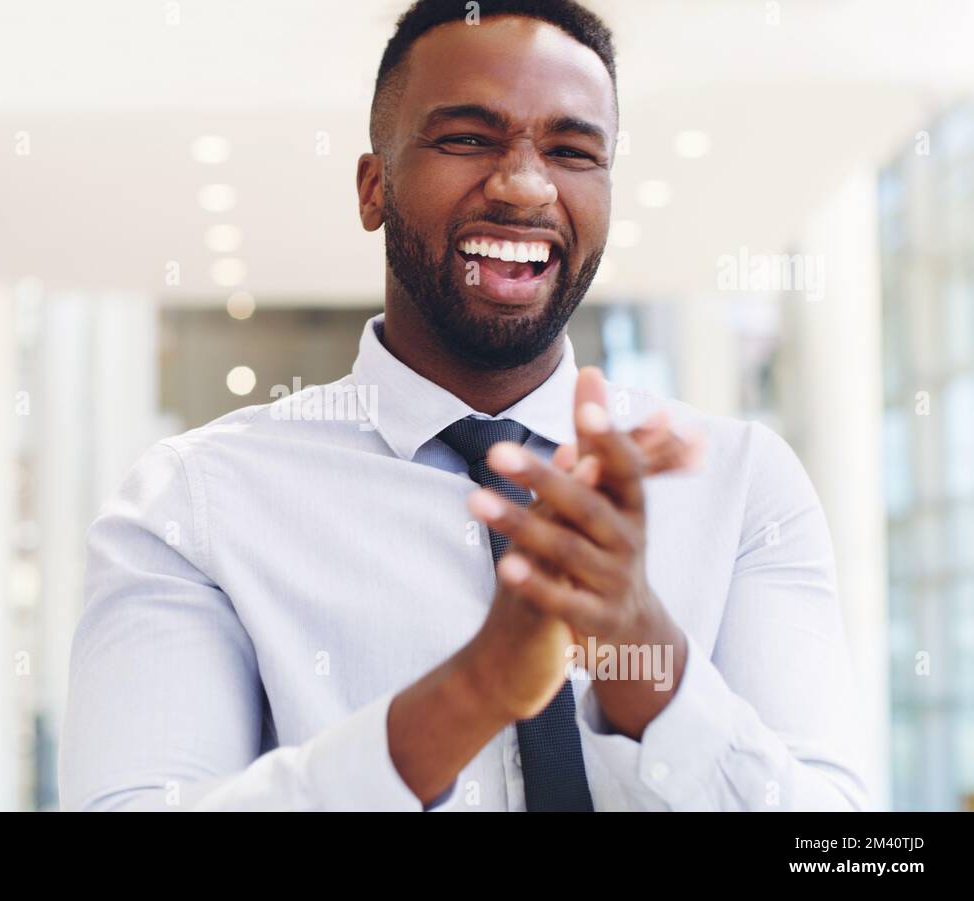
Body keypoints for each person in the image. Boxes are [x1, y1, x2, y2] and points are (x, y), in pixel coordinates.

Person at [59, 0, 867, 811]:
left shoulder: (741, 484)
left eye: (572, 149)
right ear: (374, 187)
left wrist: (641, 657)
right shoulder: (192, 502)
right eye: (467, 139)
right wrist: (474, 690)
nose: (524, 185)